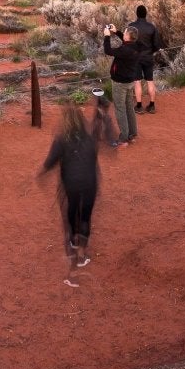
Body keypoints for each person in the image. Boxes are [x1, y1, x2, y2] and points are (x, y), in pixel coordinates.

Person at [38, 98, 115, 287]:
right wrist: (103, 116)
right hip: (90, 182)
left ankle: (72, 242)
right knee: (86, 216)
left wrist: (41, 175)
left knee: (72, 209)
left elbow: (49, 163)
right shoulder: (90, 138)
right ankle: (82, 253)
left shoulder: (61, 139)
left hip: (71, 183)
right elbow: (107, 140)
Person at [103, 24, 145, 145]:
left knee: (120, 109)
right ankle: (132, 132)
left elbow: (108, 51)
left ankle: (124, 137)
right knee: (129, 107)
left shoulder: (124, 50)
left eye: (125, 32)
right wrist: (116, 32)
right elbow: (127, 42)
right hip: (130, 81)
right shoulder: (137, 46)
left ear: (128, 36)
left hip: (119, 83)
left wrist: (107, 36)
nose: (124, 33)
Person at [127, 4, 164, 113]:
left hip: (136, 58)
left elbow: (127, 42)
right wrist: (150, 52)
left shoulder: (131, 26)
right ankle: (152, 105)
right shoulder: (151, 27)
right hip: (148, 57)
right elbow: (157, 45)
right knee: (150, 81)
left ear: (137, 14)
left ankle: (139, 106)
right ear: (145, 14)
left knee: (137, 81)